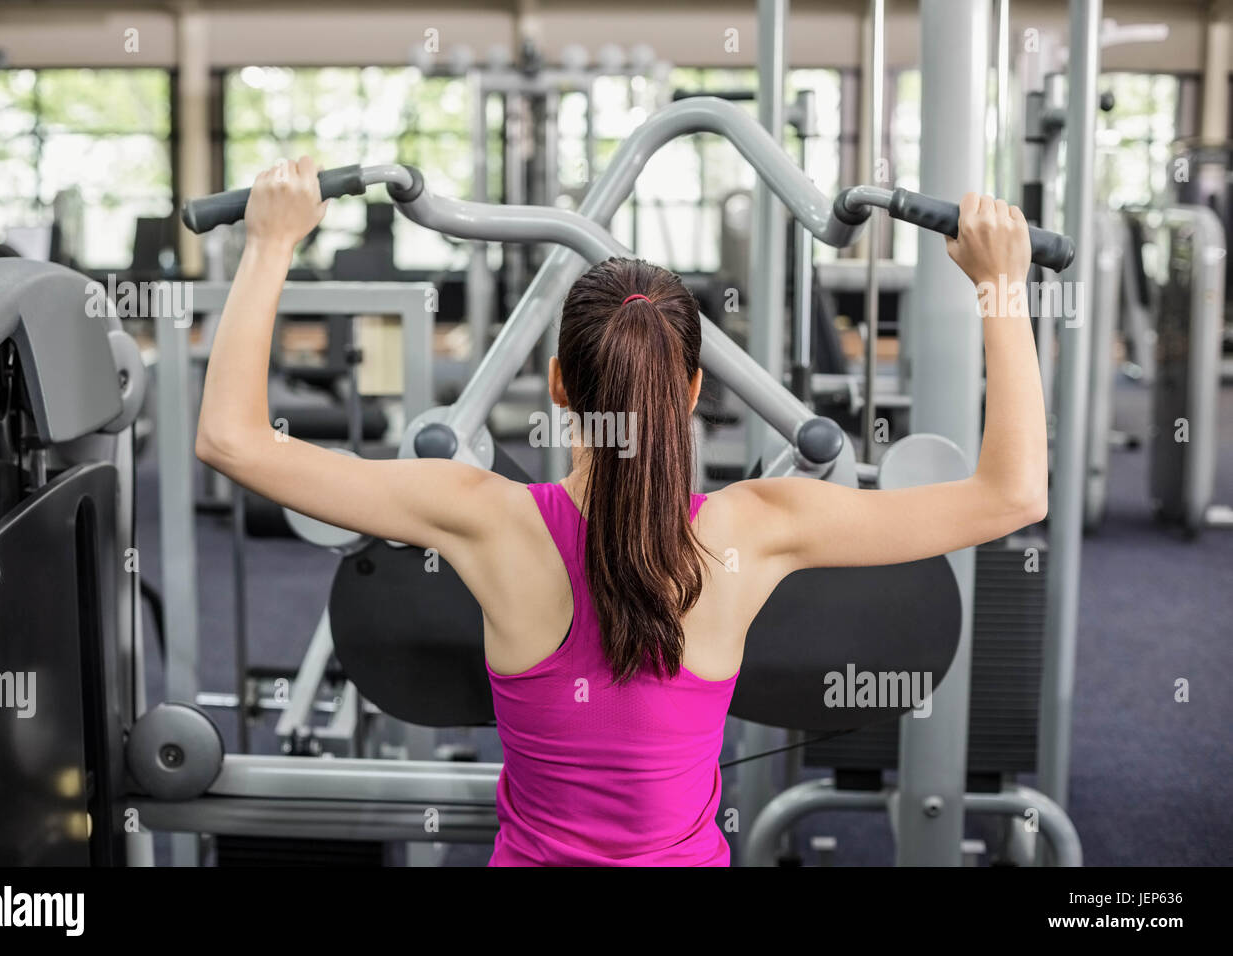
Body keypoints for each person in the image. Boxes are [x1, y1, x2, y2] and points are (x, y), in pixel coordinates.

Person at [196, 156, 1046, 866]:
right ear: (695, 392)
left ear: (560, 387)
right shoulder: (760, 526)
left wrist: (269, 243)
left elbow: (232, 440)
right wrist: (1002, 287)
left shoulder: (479, 516)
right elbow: (1013, 494)